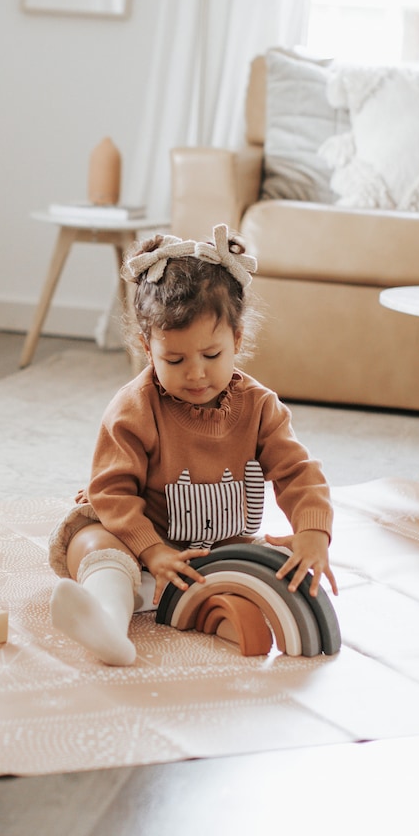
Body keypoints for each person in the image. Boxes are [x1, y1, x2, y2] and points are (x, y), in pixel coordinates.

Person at [48, 225, 338, 666]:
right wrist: (154, 551)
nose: (196, 374)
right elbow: (111, 491)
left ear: (237, 341)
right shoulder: (134, 407)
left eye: (212, 355)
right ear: (148, 349)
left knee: (276, 563)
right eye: (175, 360)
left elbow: (298, 471)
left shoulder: (260, 407)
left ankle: (215, 613)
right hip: (139, 541)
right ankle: (109, 617)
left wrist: (313, 533)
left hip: (222, 551)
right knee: (88, 540)